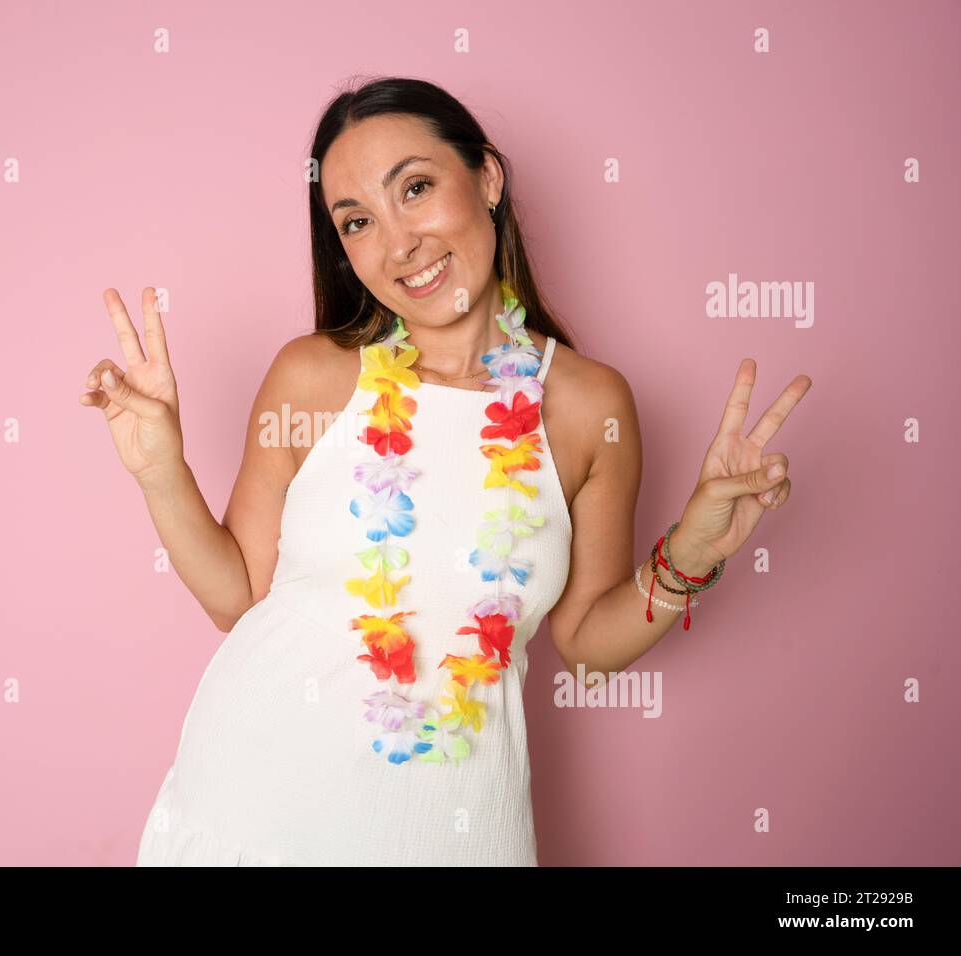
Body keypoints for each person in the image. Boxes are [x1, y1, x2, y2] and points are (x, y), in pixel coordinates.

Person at [81, 77, 811, 866]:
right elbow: (238, 597)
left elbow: (588, 645)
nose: (399, 245)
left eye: (417, 189)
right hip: (250, 809)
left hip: (456, 829)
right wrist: (160, 469)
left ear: (487, 180)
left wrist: (692, 555)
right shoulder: (313, 377)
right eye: (357, 222)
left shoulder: (588, 407)